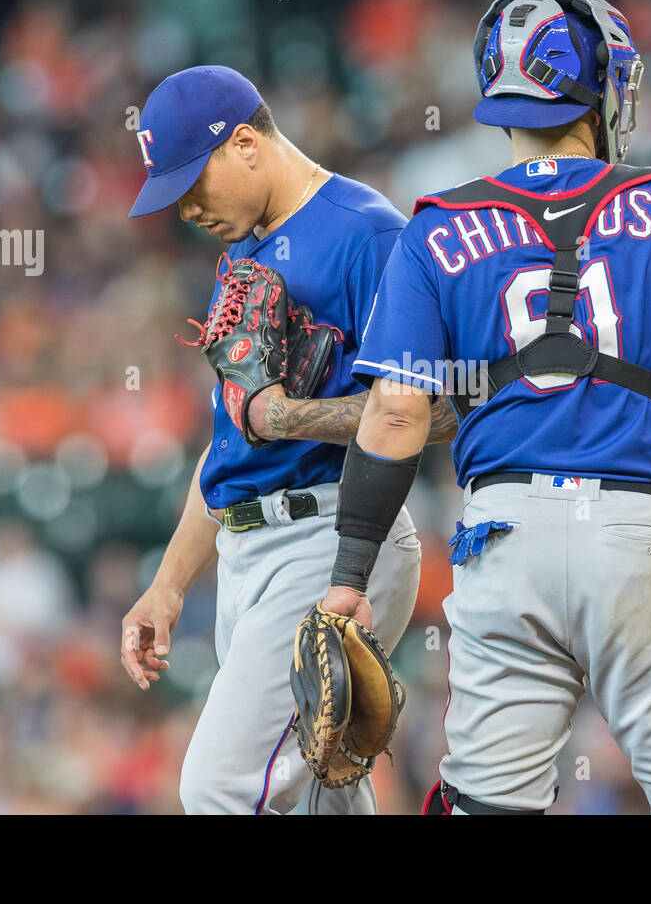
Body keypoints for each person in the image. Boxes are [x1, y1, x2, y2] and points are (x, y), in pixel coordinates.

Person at [315, 0, 651, 814]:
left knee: (487, 803)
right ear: (601, 86)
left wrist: (351, 574)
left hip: (503, 537)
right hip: (637, 525)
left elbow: (394, 415)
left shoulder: (433, 229)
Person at [118, 66, 455, 814]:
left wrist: (287, 416)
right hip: (247, 550)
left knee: (218, 788)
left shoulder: (368, 234)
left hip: (332, 536)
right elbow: (230, 442)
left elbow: (442, 409)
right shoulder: (242, 253)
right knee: (316, 801)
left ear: (244, 143)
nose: (186, 210)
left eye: (191, 185)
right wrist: (169, 585)